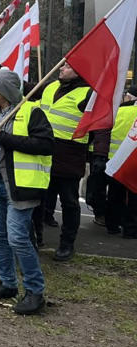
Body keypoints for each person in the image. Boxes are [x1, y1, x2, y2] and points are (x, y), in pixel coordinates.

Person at [0, 69, 52, 315]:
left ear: (5, 91)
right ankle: (7, 284)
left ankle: (35, 291)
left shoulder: (31, 111)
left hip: (20, 187)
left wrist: (2, 138)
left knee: (17, 237)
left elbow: (46, 145)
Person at [34, 62, 109, 260]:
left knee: (69, 202)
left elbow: (100, 125)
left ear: (79, 72)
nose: (60, 68)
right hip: (42, 152)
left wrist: (100, 154)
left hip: (69, 155)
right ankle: (36, 238)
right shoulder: (50, 87)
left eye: (66, 67)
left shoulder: (88, 94)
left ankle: (67, 244)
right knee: (37, 199)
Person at [104, 86, 137, 238]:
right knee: (133, 197)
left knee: (114, 194)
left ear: (130, 98)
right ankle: (130, 229)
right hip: (133, 163)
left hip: (115, 160)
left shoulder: (119, 111)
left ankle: (112, 225)